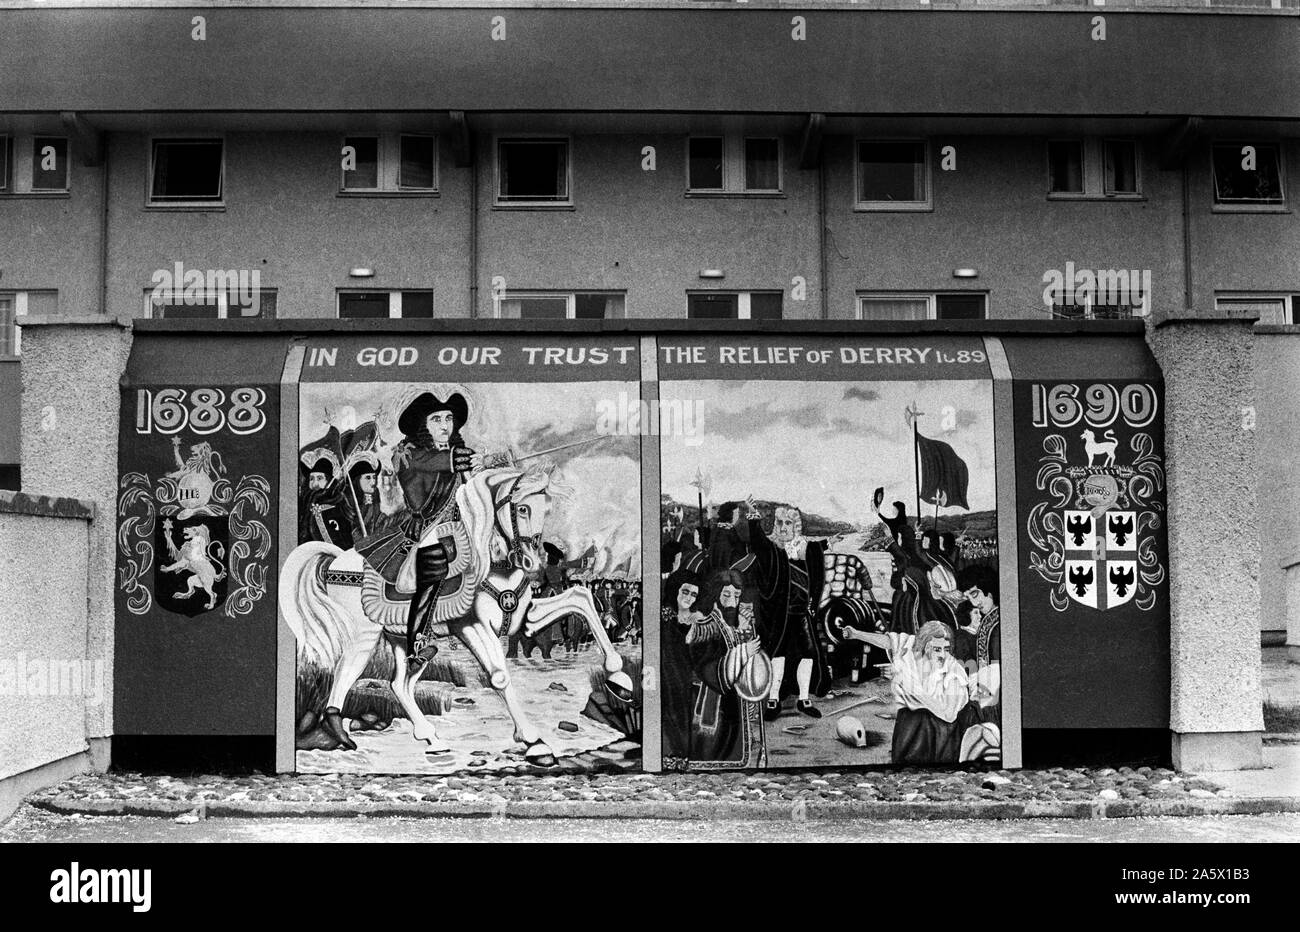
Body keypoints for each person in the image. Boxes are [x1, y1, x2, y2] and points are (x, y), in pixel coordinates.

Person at [354, 389, 510, 671]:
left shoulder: (453, 453)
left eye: (449, 418)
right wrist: (469, 459)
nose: (444, 425)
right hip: (425, 528)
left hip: (455, 528)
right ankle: (417, 642)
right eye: (436, 419)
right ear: (422, 425)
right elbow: (435, 463)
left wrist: (489, 461)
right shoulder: (408, 453)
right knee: (433, 564)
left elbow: (477, 478)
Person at [842, 619, 980, 765]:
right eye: (936, 649)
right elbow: (889, 641)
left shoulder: (953, 671)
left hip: (940, 733)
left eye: (946, 649)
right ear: (924, 646)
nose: (942, 655)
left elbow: (949, 714)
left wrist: (916, 692)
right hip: (910, 726)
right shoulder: (911, 652)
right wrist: (856, 634)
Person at [742, 498, 830, 720]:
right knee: (777, 653)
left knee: (808, 654)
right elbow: (758, 541)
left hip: (802, 613)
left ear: (795, 526)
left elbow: (816, 570)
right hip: (778, 614)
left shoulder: (805, 548)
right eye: (779, 522)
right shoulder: (772, 549)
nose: (783, 527)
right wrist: (754, 518)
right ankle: (772, 700)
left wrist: (811, 606)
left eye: (788, 523)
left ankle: (804, 699)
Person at [684, 569, 767, 768]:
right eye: (726, 595)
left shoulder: (736, 621)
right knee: (715, 748)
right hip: (714, 698)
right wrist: (743, 652)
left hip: (735, 697)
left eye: (736, 596)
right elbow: (706, 665)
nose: (732, 601)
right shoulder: (707, 625)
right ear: (716, 594)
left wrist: (745, 632)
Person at [660, 566, 704, 768]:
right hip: (668, 673)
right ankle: (671, 754)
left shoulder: (697, 619)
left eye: (694, 594)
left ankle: (683, 754)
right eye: (685, 591)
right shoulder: (665, 615)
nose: (689, 597)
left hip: (688, 675)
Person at [298, 451, 352, 547]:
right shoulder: (304, 502)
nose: (315, 484)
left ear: (329, 480)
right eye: (311, 479)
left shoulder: (338, 503)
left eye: (319, 478)